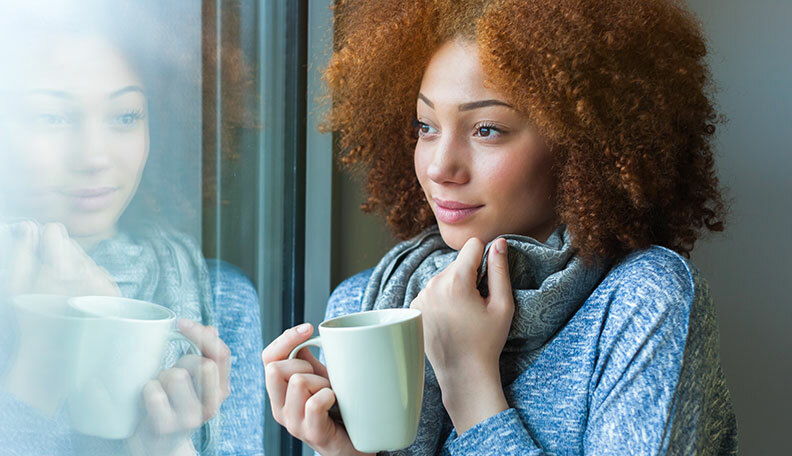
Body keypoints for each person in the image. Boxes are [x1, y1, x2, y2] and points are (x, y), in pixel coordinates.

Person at [262, 0, 738, 455]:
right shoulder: (370, 307)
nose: (440, 167)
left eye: (486, 129)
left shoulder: (642, 303)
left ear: (578, 144)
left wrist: (469, 384)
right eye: (424, 126)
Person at [0, 3, 264, 455]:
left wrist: (165, 447)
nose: (93, 155)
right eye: (52, 117)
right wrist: (42, 357)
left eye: (125, 116)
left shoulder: (220, 300)